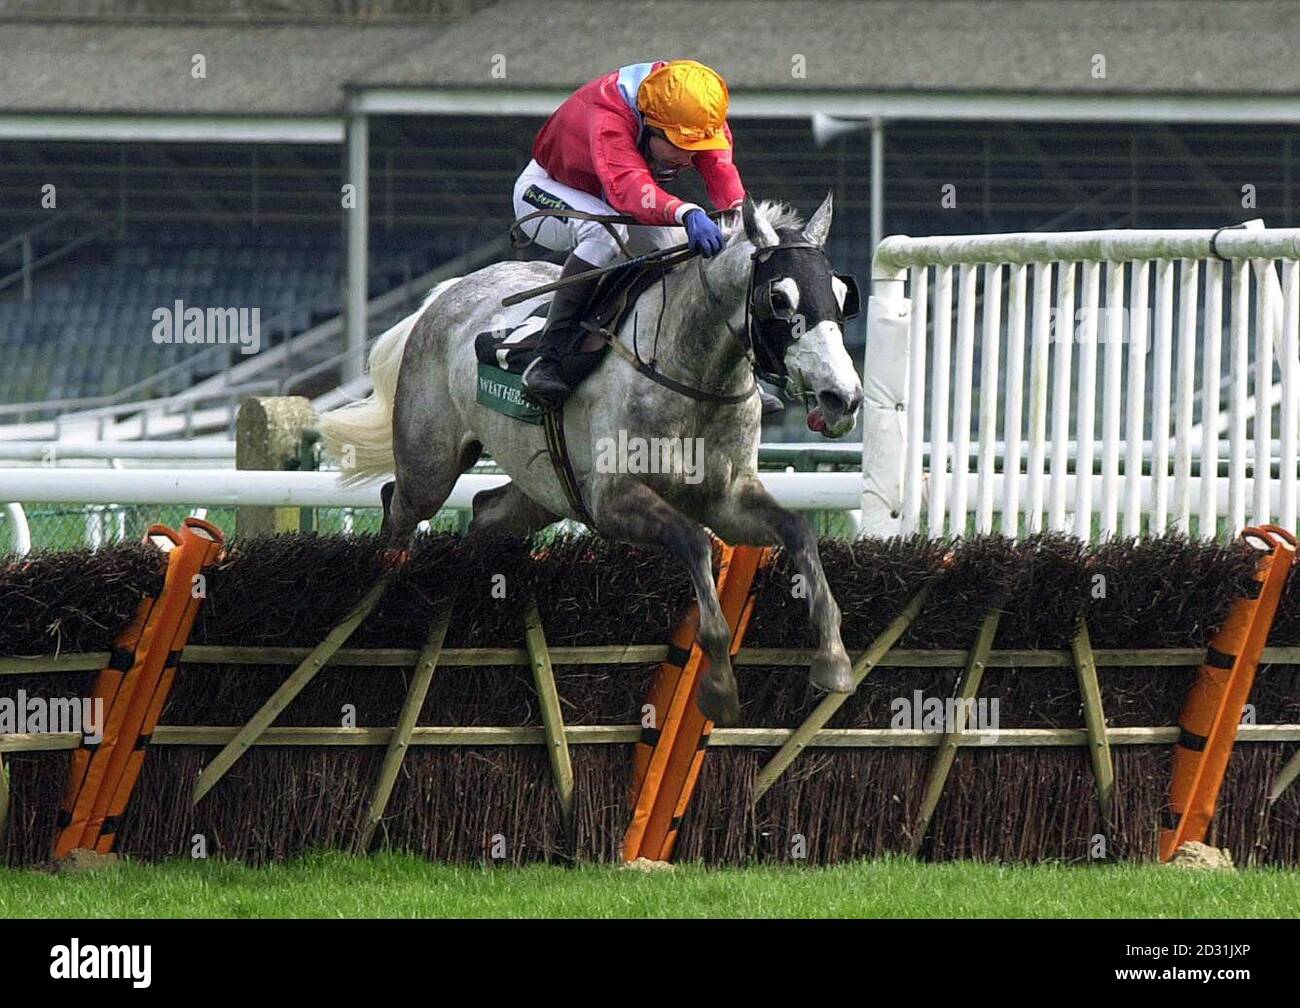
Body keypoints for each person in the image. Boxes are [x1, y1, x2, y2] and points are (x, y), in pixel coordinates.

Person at [513, 59, 746, 407]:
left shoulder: (697, 110)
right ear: (651, 125)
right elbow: (630, 191)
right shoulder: (609, 115)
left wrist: (741, 219)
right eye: (680, 146)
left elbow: (720, 168)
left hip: (613, 204)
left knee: (674, 252)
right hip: (545, 189)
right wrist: (687, 211)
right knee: (604, 232)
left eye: (694, 148)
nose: (687, 159)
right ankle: (547, 358)